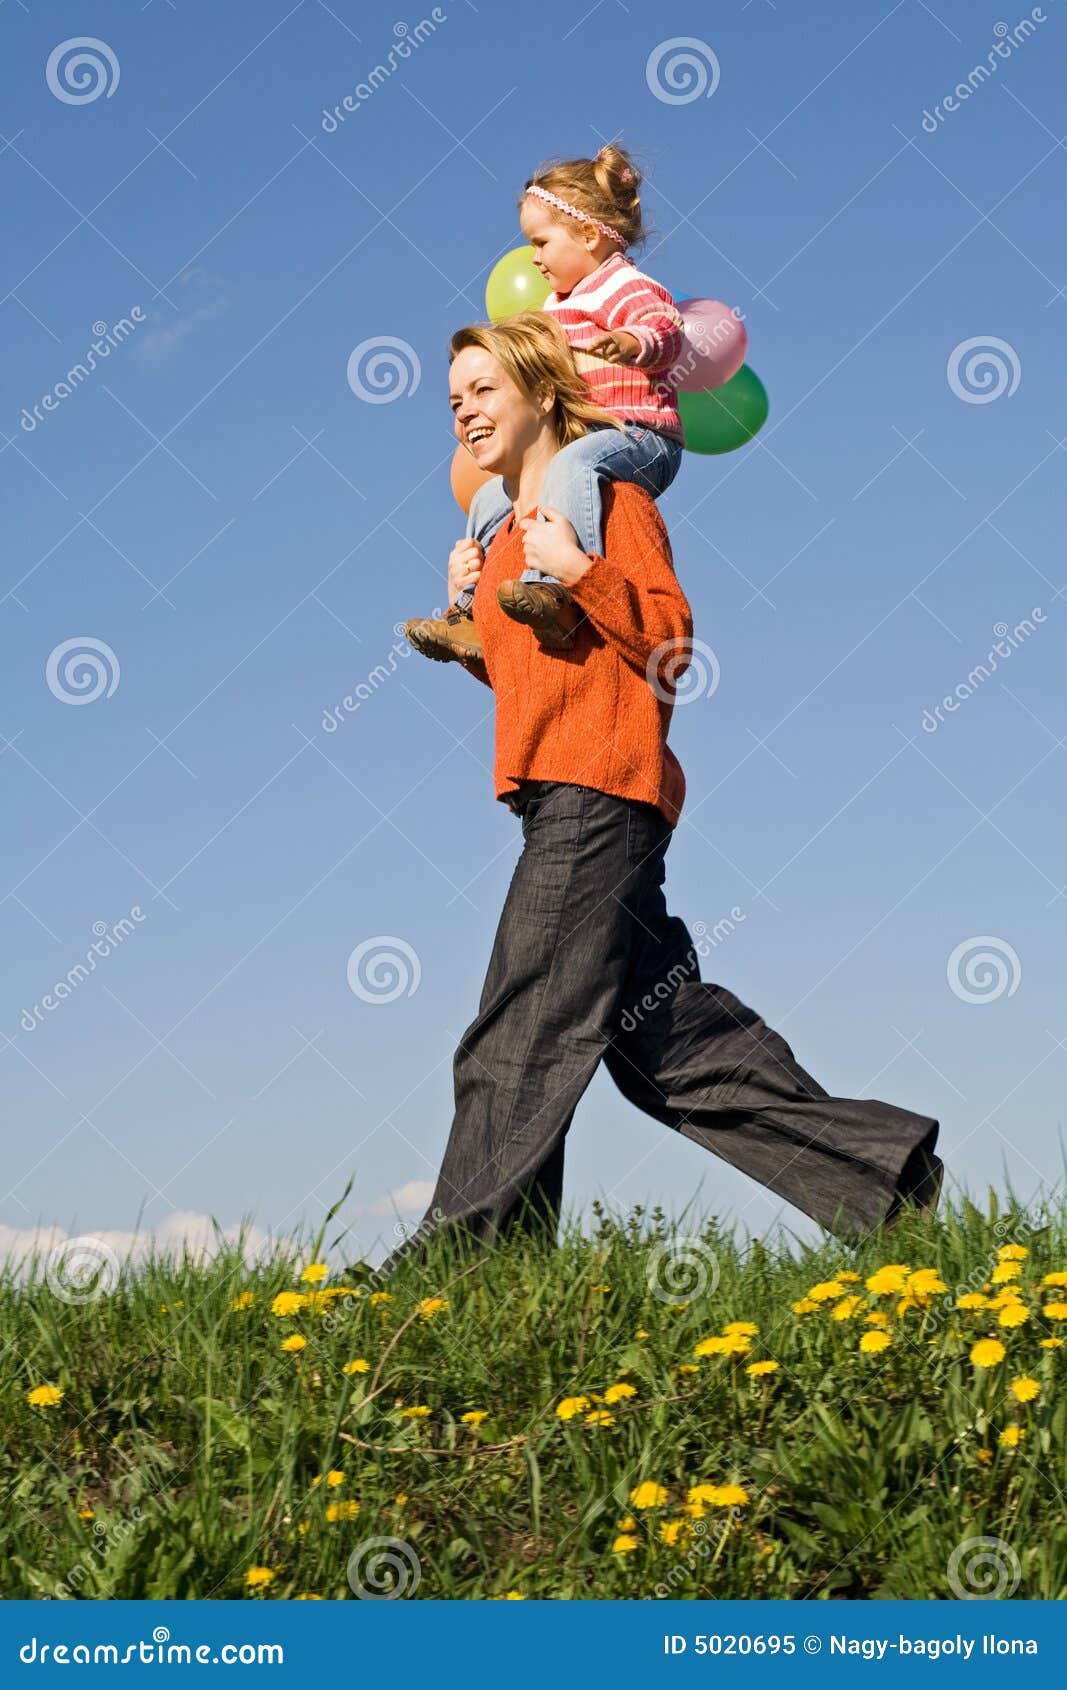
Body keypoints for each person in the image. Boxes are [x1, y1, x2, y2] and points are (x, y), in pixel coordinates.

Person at [382, 313, 942, 1275]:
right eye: (453, 401)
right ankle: (881, 1177)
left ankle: (466, 1268)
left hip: (599, 794)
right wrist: (469, 609)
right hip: (561, 795)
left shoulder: (604, 500)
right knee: (662, 1045)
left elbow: (665, 643)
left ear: (540, 391)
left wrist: (578, 569)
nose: (463, 411)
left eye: (482, 390)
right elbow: (550, 675)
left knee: (518, 1026)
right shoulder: (509, 532)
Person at [404, 143, 686, 661]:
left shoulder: (620, 284)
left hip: (641, 436)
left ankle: (553, 590)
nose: (533, 258)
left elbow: (666, 328)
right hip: (590, 434)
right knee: (492, 498)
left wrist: (631, 343)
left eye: (540, 242)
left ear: (587, 234)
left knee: (575, 462)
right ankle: (467, 615)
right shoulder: (557, 307)